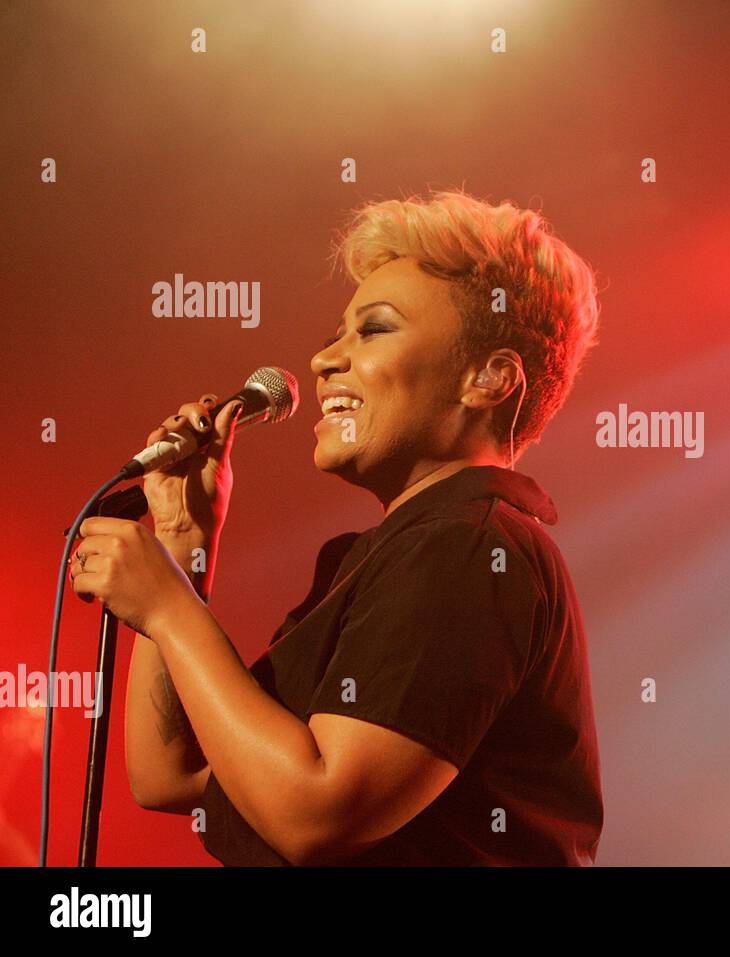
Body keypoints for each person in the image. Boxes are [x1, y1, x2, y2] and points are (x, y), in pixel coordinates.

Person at [68, 189, 604, 865]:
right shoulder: (378, 558)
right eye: (335, 336)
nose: (323, 362)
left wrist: (171, 609)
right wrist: (183, 541)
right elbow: (170, 774)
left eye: (374, 330)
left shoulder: (468, 543)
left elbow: (316, 811)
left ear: (489, 379)